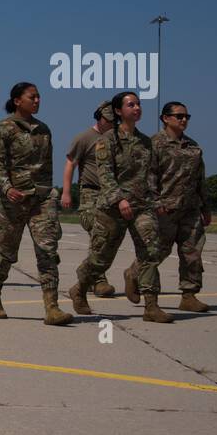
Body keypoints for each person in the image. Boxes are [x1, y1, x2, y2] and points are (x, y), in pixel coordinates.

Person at [69, 91, 172, 323]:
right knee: (101, 258)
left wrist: (157, 201)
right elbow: (105, 176)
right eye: (131, 105)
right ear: (118, 111)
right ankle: (80, 287)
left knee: (150, 251)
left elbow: (150, 176)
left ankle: (151, 306)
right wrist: (119, 199)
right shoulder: (106, 141)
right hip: (112, 208)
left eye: (138, 104)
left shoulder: (147, 142)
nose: (137, 108)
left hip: (141, 206)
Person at [0, 82, 74, 325]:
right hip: (11, 202)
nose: (37, 100)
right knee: (6, 253)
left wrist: (50, 193)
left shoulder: (43, 129)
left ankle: (52, 307)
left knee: (47, 251)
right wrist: (7, 188)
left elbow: (47, 166)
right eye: (32, 97)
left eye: (38, 97)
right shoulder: (2, 130)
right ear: (17, 101)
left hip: (41, 200)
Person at [145, 101, 211, 312]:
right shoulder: (153, 144)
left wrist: (205, 207)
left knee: (192, 253)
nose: (184, 120)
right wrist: (156, 203)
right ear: (165, 118)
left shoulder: (194, 147)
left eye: (186, 117)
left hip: (190, 209)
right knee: (158, 252)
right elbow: (149, 177)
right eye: (179, 116)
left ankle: (189, 295)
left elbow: (200, 179)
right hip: (164, 209)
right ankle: (134, 274)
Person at [61, 101, 117, 297]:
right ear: (98, 117)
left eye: (114, 120)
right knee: (97, 232)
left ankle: (91, 274)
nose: (111, 123)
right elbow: (70, 163)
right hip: (90, 193)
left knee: (110, 237)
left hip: (112, 194)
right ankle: (99, 280)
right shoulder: (85, 138)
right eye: (107, 120)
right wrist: (66, 192)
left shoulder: (117, 138)